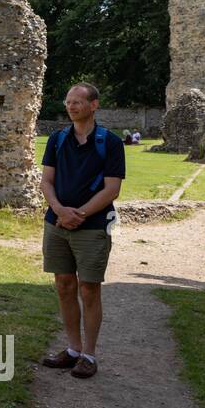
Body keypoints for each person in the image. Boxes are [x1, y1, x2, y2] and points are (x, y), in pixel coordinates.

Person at [39, 82, 125, 380]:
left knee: (89, 288)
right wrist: (61, 211)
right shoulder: (57, 140)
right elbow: (46, 181)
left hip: (92, 227)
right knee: (64, 284)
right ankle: (73, 349)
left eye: (78, 101)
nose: (71, 106)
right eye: (68, 101)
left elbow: (111, 188)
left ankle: (89, 354)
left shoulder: (110, 142)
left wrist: (80, 214)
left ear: (94, 105)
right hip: (57, 224)